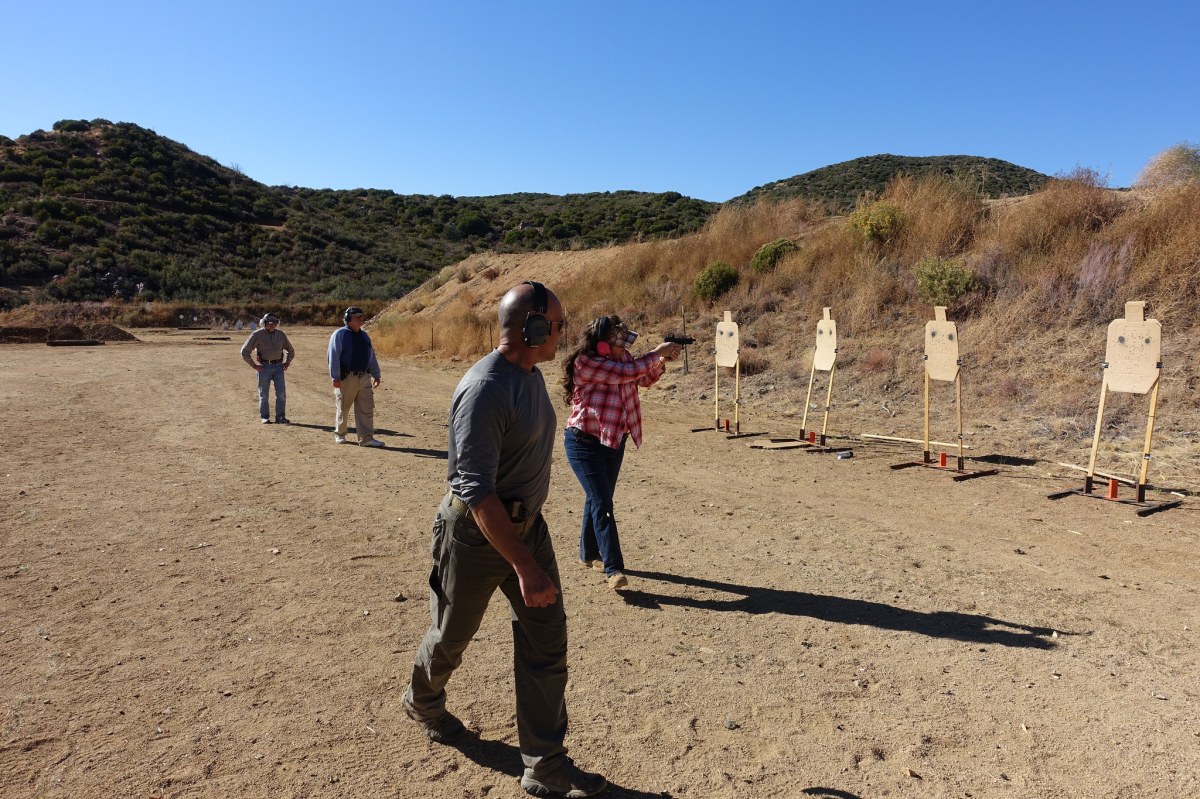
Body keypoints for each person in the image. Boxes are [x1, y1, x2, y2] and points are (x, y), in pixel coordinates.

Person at [404, 282, 606, 798]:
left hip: (526, 529)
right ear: (532, 328)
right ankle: (423, 700)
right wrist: (525, 567)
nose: (563, 333)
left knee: (546, 643)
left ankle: (544, 765)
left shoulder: (530, 375)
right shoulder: (485, 388)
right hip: (476, 535)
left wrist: (529, 547)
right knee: (451, 634)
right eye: (556, 325)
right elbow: (474, 490)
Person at [561, 316, 679, 590]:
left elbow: (643, 377)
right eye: (617, 343)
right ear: (601, 345)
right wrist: (654, 354)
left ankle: (588, 553)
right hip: (584, 443)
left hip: (614, 440)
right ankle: (613, 568)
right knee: (602, 502)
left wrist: (662, 361)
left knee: (598, 498)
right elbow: (626, 373)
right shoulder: (586, 362)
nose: (623, 349)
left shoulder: (624, 359)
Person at [326, 307, 384, 447]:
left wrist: (376, 374)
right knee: (343, 407)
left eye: (362, 317)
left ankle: (366, 438)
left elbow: (371, 356)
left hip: (364, 377)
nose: (361, 319)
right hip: (347, 378)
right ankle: (340, 434)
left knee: (366, 409)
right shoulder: (339, 334)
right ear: (348, 318)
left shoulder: (364, 336)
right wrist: (335, 377)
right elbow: (333, 356)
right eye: (357, 316)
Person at [239, 312, 295, 424]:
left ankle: (280, 417)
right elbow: (244, 351)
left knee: (281, 394)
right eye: (269, 323)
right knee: (264, 394)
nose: (271, 325)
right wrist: (254, 365)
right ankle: (264, 417)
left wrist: (287, 363)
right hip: (264, 368)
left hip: (279, 367)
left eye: (274, 322)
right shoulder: (256, 335)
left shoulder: (281, 334)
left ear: (277, 323)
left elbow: (290, 350)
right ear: (263, 323)